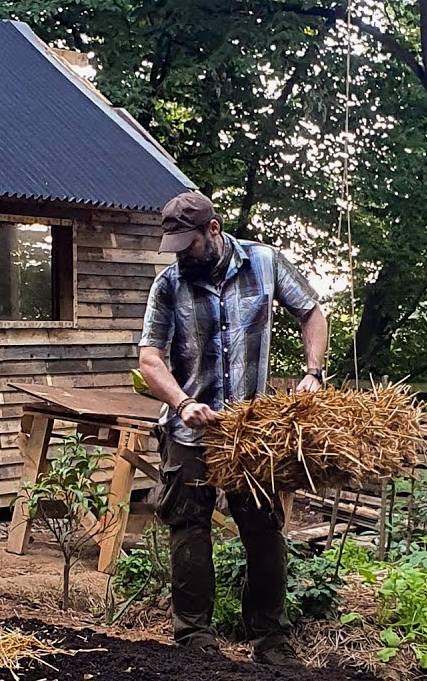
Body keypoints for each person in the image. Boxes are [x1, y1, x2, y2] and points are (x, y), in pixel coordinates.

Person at [138, 190, 328, 666]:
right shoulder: (168, 285)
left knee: (263, 530)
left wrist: (313, 372)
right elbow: (149, 359)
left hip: (250, 432)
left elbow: (311, 311)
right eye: (175, 247)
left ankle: (270, 638)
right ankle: (194, 639)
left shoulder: (265, 263)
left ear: (214, 230)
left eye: (188, 244)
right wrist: (182, 402)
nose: (182, 256)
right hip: (189, 431)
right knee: (189, 528)